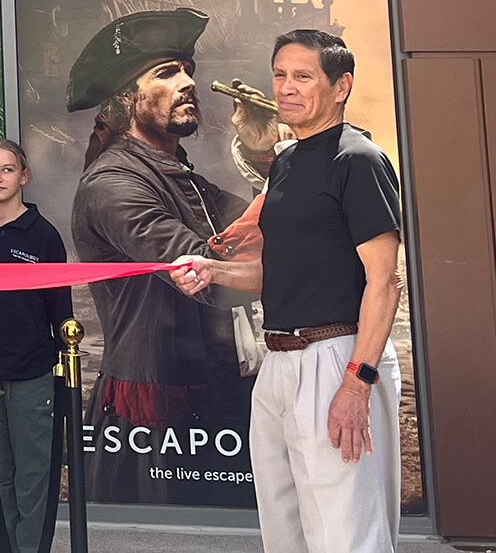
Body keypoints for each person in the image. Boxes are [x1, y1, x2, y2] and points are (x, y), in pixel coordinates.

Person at [172, 30, 403, 553]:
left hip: (338, 356)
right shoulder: (287, 162)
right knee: (285, 535)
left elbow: (385, 281)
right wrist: (212, 270)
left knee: (347, 536)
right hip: (279, 363)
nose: (286, 88)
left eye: (303, 76)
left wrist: (357, 384)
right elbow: (278, 272)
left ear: (341, 86)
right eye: (280, 75)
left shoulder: (359, 159)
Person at [66, 9, 257, 506]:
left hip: (214, 394)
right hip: (154, 412)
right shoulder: (113, 183)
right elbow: (205, 272)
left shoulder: (181, 174)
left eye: (187, 70)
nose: (187, 82)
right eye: (167, 73)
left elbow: (272, 228)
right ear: (126, 99)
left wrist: (263, 156)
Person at [0, 140, 67, 553]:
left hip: (31, 371)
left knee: (32, 473)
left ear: (24, 175)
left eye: (7, 169)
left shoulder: (43, 235)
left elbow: (60, 309)